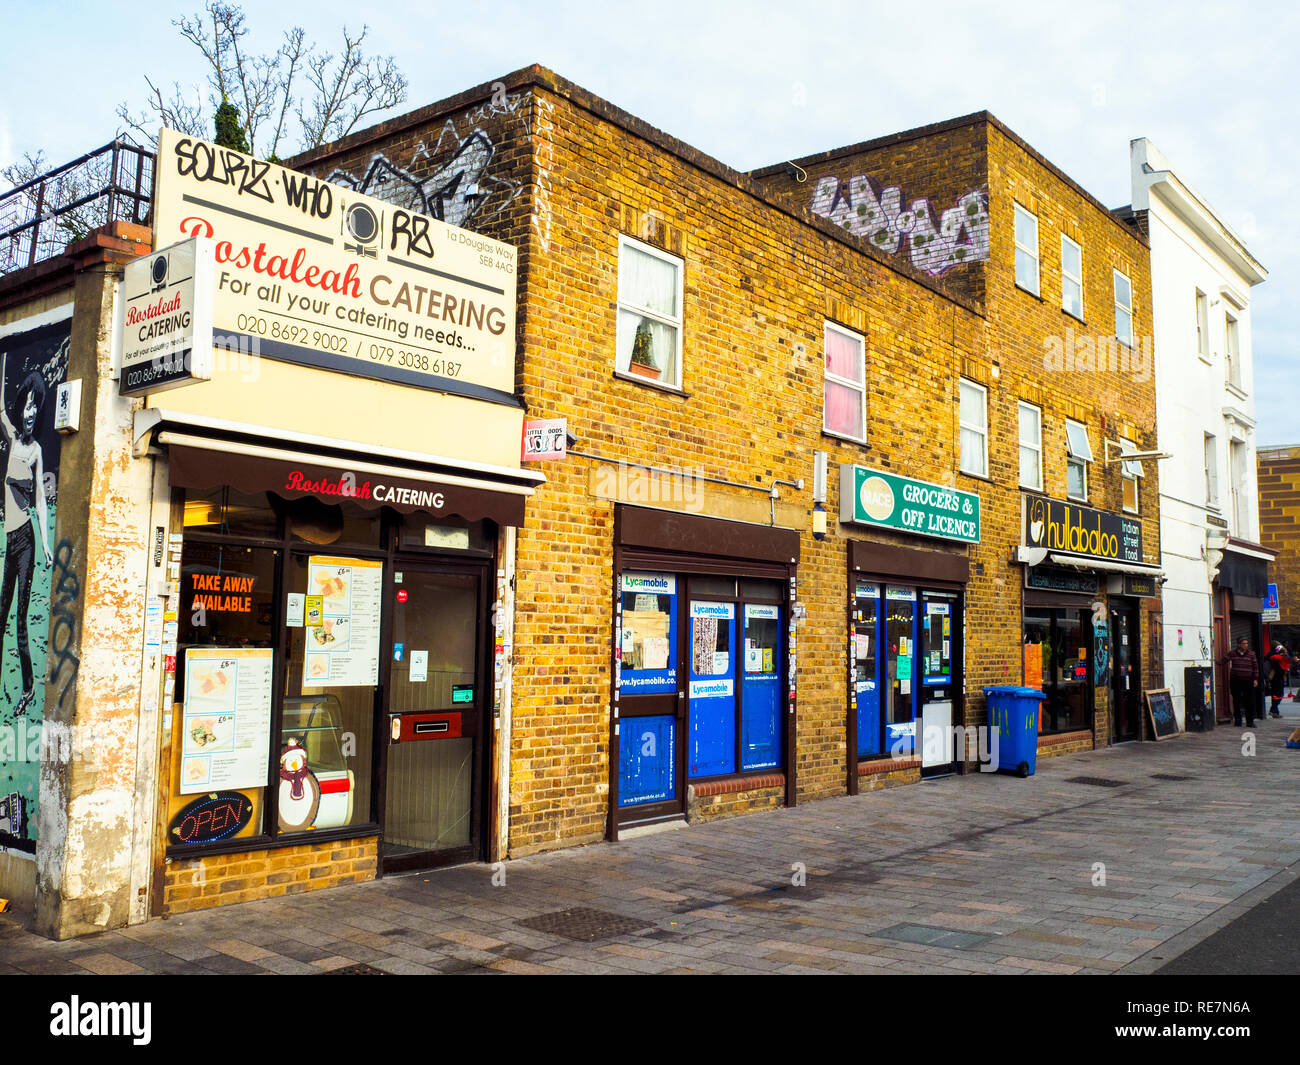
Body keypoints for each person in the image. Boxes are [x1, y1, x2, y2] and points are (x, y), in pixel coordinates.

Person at [0, 355, 52, 717]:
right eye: (28, 405)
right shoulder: (13, 437)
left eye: (37, 407)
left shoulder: (36, 451)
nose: (31, 413)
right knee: (1, 615)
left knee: (20, 623)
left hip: (27, 541)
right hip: (9, 540)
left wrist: (46, 543)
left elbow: (40, 502)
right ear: (22, 407)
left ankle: (29, 689)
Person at [1227, 636, 1259, 728]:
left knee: (1249, 701)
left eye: (1247, 643)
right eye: (1243, 643)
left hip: (1248, 680)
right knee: (1236, 700)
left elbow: (1255, 667)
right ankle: (1238, 720)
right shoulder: (1232, 653)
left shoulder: (1251, 654)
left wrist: (1255, 679)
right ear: (1238, 644)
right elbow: (1224, 660)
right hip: (1236, 680)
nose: (1246, 645)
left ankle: (1250, 721)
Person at [1265, 643, 1292, 719]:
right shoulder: (1278, 658)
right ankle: (1273, 710)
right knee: (1279, 695)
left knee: (1276, 695)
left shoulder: (1277, 657)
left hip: (1276, 679)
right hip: (1277, 679)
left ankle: (1274, 711)